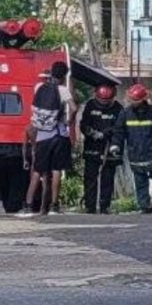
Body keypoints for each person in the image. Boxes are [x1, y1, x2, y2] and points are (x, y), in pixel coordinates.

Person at [113, 83, 152, 212]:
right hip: (136, 155)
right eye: (132, 100)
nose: (134, 103)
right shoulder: (125, 114)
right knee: (140, 182)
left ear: (144, 100)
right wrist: (115, 146)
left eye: (136, 101)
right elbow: (119, 132)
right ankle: (144, 206)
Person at [26, 61, 72, 216]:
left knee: (37, 171)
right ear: (64, 75)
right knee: (57, 170)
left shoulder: (39, 87)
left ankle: (28, 205)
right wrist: (68, 122)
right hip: (59, 134)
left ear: (51, 72)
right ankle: (54, 205)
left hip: (42, 136)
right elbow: (74, 108)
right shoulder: (63, 90)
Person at [78, 84, 125, 214]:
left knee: (108, 178)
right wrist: (91, 133)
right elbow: (83, 124)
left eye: (107, 100)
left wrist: (107, 135)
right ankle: (90, 206)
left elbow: (119, 128)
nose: (104, 103)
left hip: (110, 147)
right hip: (92, 146)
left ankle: (105, 206)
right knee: (90, 177)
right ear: (96, 96)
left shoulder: (118, 109)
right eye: (101, 100)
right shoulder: (90, 106)